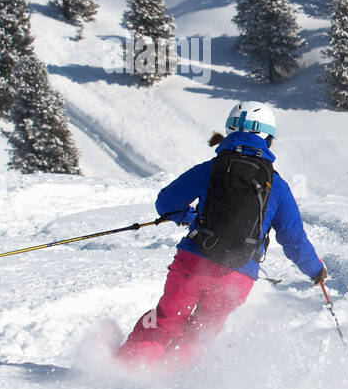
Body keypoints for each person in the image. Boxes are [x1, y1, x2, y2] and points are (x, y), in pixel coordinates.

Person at [118, 102, 326, 366]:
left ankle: (127, 370)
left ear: (230, 130)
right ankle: (170, 383)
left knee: (168, 318)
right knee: (200, 334)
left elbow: (166, 204)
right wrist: (315, 270)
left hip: (194, 262)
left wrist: (190, 216)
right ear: (269, 138)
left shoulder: (210, 168)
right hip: (238, 274)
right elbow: (293, 239)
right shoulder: (278, 186)